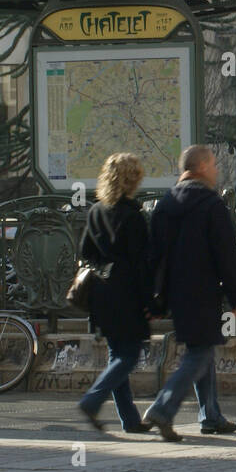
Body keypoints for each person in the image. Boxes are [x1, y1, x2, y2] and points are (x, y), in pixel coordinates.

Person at [142, 145, 236, 441]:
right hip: (203, 290)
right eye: (213, 164)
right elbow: (225, 255)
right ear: (201, 167)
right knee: (199, 353)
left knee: (201, 349)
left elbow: (155, 256)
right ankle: (163, 408)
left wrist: (158, 298)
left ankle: (211, 415)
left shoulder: (164, 204)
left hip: (176, 292)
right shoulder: (210, 205)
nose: (216, 170)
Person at [76, 152, 154, 434]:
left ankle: (130, 420)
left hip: (101, 292)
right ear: (132, 180)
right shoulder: (133, 216)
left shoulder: (96, 211)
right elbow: (142, 264)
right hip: (127, 294)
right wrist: (150, 301)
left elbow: (85, 252)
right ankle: (92, 399)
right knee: (129, 356)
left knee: (116, 354)